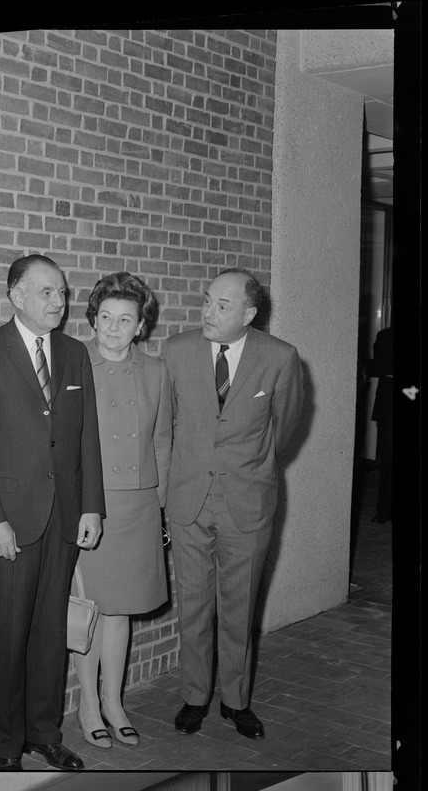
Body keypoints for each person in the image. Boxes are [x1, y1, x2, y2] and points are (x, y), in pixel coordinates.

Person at [0, 254, 105, 771]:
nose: (58, 302)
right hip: (8, 525)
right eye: (46, 292)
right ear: (16, 295)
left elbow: (86, 437)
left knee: (49, 636)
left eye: (62, 293)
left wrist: (91, 507)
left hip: (63, 518)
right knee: (11, 638)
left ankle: (45, 733)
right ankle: (5, 748)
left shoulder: (74, 353)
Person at [161, 267, 304, 740]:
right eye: (206, 300)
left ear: (249, 312)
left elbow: (284, 429)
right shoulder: (177, 351)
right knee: (195, 605)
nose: (208, 311)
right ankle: (194, 697)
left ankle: (235, 701)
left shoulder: (280, 358)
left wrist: (252, 469)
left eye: (222, 306)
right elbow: (170, 425)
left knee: (239, 608)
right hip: (189, 502)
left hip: (247, 503)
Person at [73, 272, 172, 750]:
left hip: (137, 503)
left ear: (140, 326)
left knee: (121, 614)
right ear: (93, 319)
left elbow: (163, 439)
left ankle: (114, 702)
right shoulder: (72, 364)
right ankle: (87, 704)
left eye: (124, 319)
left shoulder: (155, 370)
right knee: (90, 609)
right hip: (91, 502)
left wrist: (162, 502)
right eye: (105, 318)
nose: (113, 328)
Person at [368, 326, 392, 522]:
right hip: (389, 408)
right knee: (388, 460)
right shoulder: (385, 336)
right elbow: (379, 366)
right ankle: (384, 510)